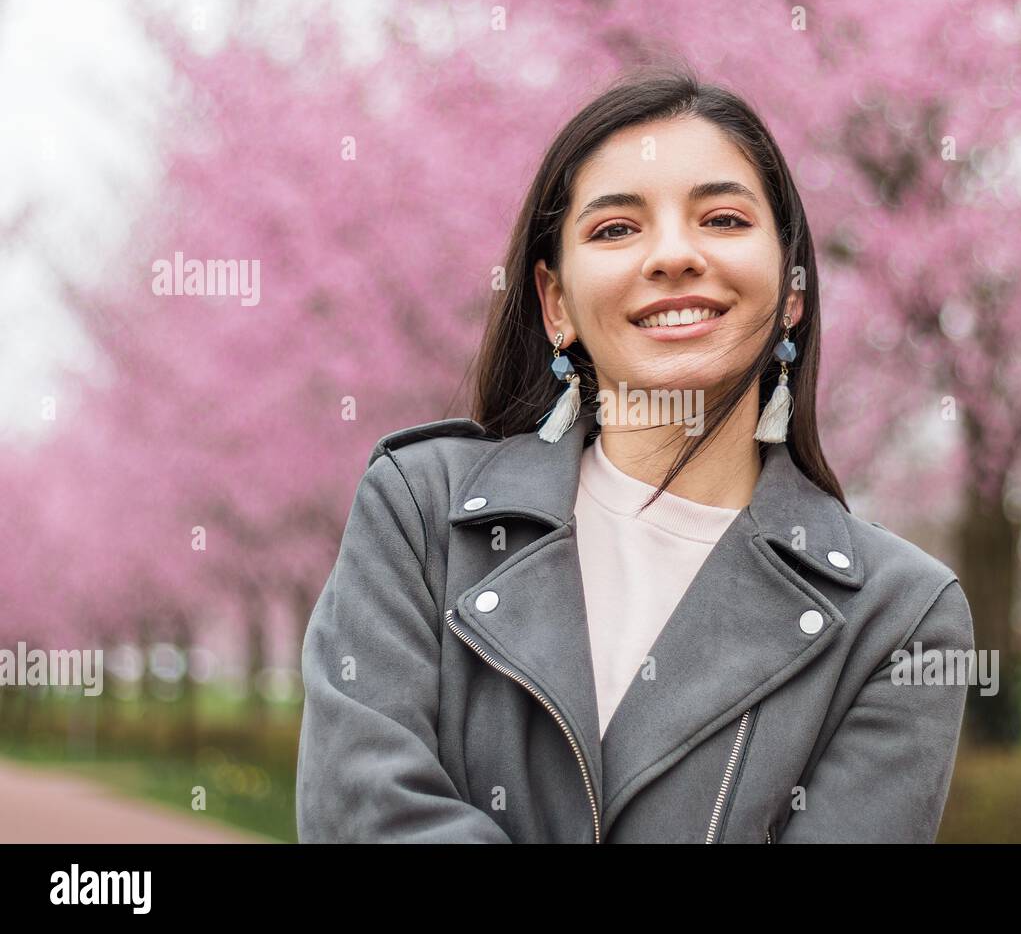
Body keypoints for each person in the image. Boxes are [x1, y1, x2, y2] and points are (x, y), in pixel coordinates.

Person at [296, 66, 974, 843]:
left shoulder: (897, 616)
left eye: (722, 219)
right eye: (617, 229)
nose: (674, 256)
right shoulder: (421, 513)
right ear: (557, 305)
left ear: (792, 289)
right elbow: (365, 817)